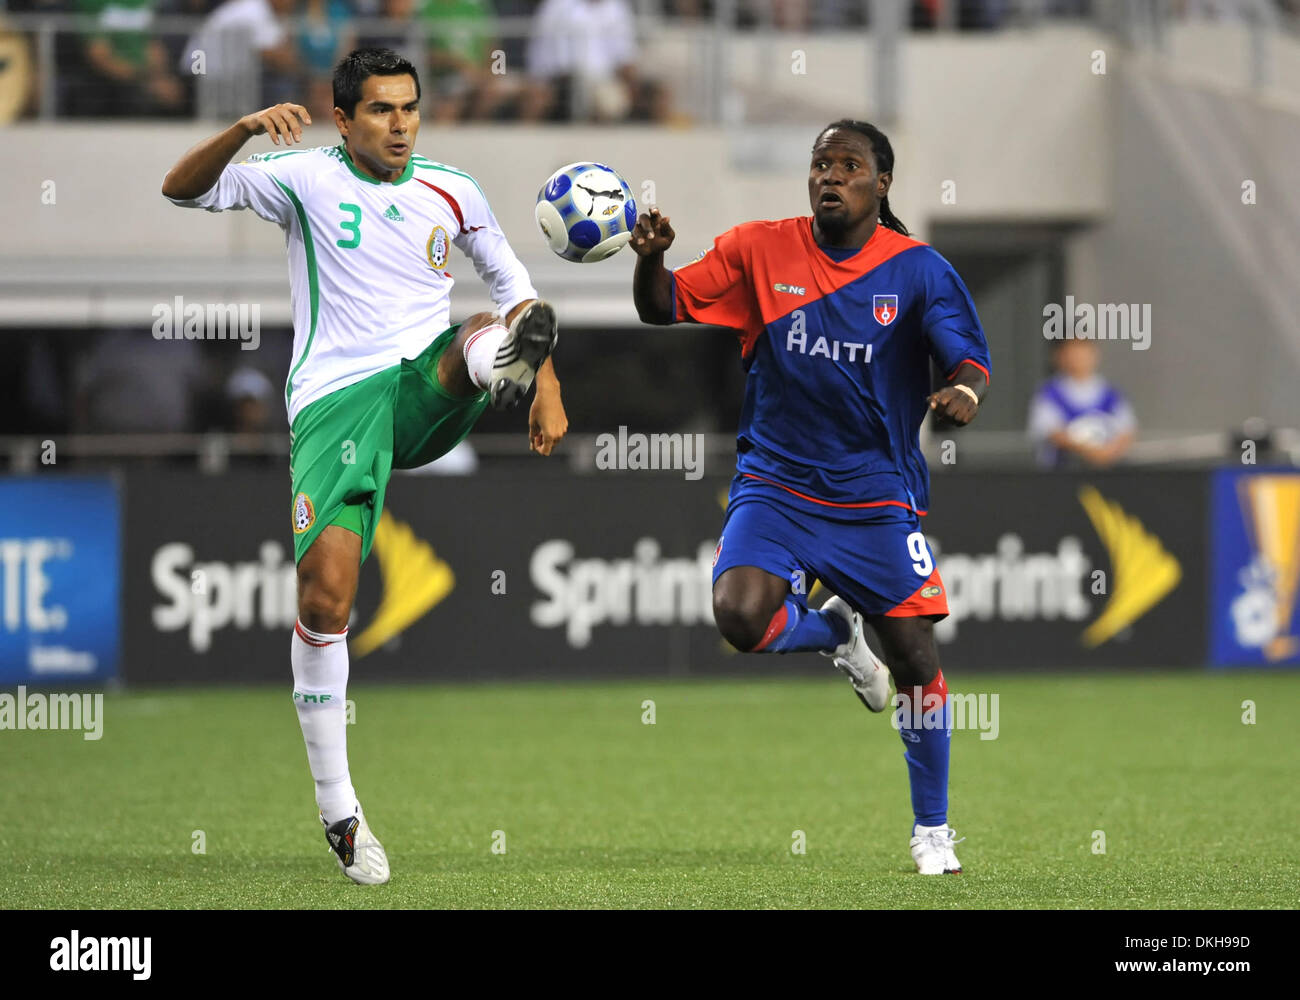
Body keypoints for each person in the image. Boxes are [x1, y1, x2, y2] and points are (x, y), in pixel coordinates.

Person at [161, 47, 568, 885]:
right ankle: (341, 814)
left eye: (410, 108)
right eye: (381, 111)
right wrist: (242, 129)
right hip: (335, 404)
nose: (400, 125)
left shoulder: (454, 192)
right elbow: (182, 188)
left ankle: (505, 365)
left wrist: (547, 380)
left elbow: (519, 285)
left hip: (424, 386)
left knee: (483, 327)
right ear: (343, 118)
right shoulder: (300, 176)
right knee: (327, 595)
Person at [630, 119, 990, 875]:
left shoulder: (919, 270)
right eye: (821, 163)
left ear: (881, 183)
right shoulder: (759, 249)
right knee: (738, 615)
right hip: (777, 482)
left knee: (917, 661)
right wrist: (654, 261)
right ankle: (834, 635)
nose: (830, 176)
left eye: (849, 165)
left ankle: (933, 829)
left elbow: (967, 356)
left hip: (875, 494)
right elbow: (662, 307)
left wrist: (961, 389)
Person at [1027, 338, 1136, 468]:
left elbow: (1127, 431)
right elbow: (1051, 432)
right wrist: (1088, 450)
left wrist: (1106, 453)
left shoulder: (1111, 393)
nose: (1078, 357)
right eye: (1072, 351)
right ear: (1059, 356)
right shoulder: (1049, 393)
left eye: (1083, 350)